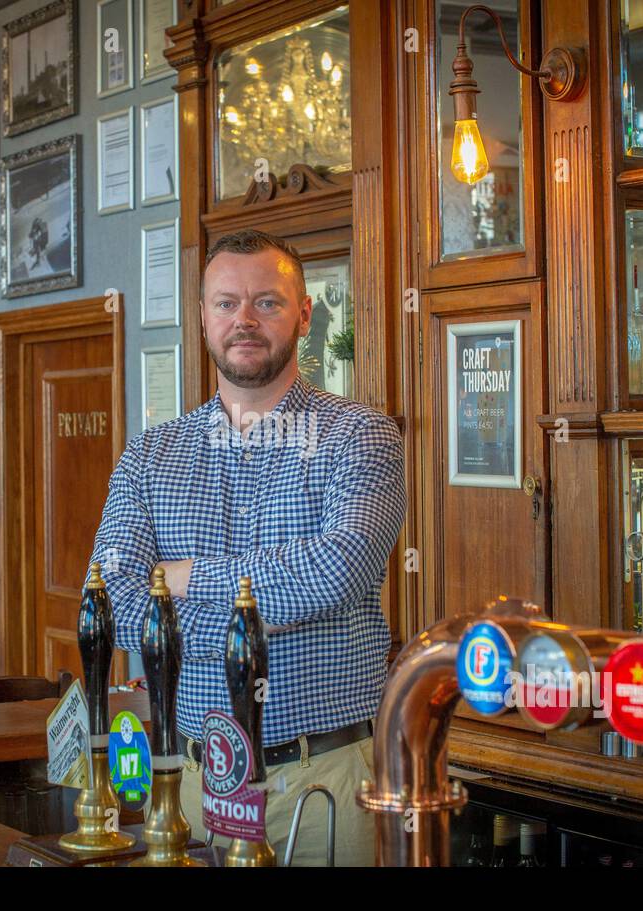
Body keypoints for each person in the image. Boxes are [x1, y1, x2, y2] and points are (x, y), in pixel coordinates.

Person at [87, 228, 406, 865]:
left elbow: (337, 571)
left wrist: (180, 582)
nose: (245, 320)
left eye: (267, 301)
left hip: (326, 781)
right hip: (188, 786)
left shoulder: (361, 436)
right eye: (226, 302)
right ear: (202, 317)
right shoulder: (150, 456)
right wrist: (252, 628)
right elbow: (113, 601)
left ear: (305, 313)